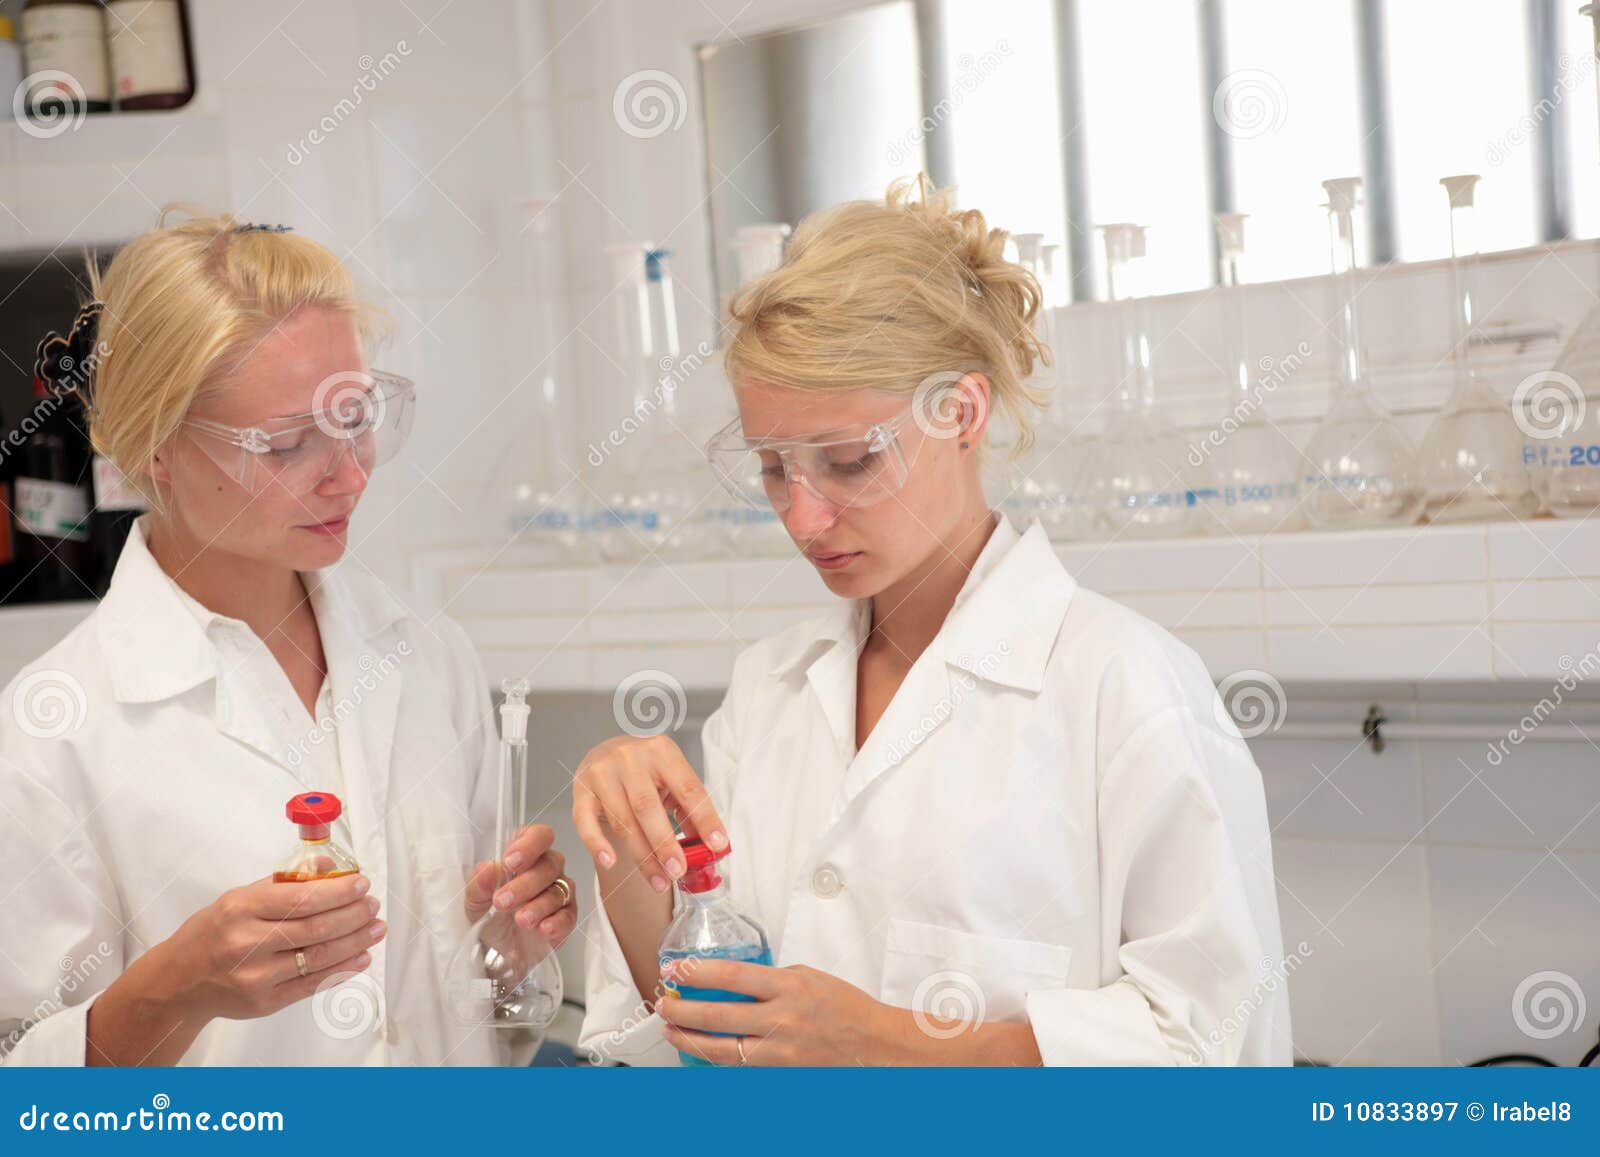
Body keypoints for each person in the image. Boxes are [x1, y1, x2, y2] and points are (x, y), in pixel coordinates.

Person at [573, 178, 1291, 1066]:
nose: (803, 518)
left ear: (961, 411)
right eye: (773, 468)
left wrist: (879, 1040)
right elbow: (685, 1030)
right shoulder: (768, 693)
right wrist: (625, 852)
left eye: (847, 461)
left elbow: (1209, 1046)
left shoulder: (1125, 686)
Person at [0, 213, 575, 1066]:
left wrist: (518, 940)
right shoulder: (52, 732)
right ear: (156, 448)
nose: (348, 472)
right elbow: (34, 1103)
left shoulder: (427, 654)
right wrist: (179, 986)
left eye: (354, 416)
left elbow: (490, 1008)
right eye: (286, 444)